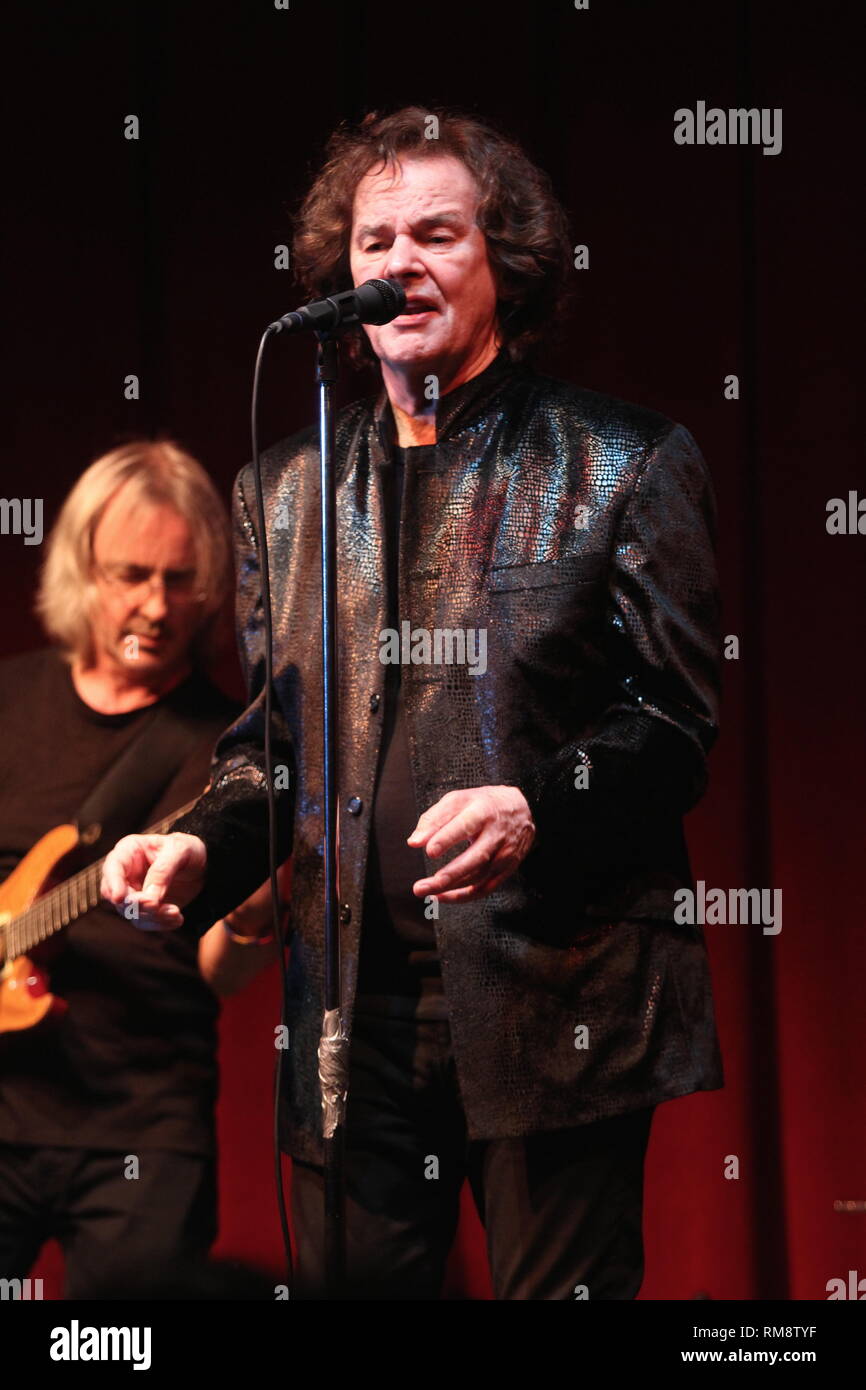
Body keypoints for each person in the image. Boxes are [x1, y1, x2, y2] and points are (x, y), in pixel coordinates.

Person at [102, 107, 724, 1301]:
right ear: (342, 274)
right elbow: (270, 752)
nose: (399, 262)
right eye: (375, 238)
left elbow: (670, 724)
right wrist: (196, 844)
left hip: (557, 999)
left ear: (507, 262)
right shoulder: (281, 489)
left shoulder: (621, 461)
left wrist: (538, 804)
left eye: (437, 233)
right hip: (352, 1015)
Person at [0, 440, 280, 1299]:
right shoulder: (10, 701)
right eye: (131, 575)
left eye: (180, 579)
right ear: (83, 566)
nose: (157, 606)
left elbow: (220, 973)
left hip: (143, 1129)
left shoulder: (239, 752)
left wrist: (259, 907)